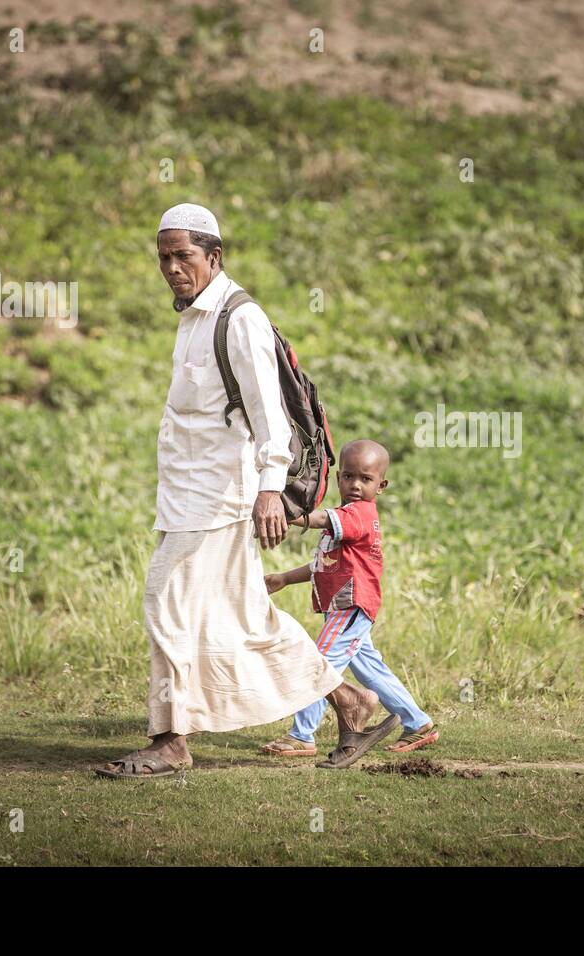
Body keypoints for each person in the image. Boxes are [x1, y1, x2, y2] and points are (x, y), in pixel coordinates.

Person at [97, 203, 391, 778]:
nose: (173, 268)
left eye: (183, 255)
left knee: (164, 605)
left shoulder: (240, 318)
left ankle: (169, 740)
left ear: (214, 256)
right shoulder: (193, 320)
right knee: (243, 617)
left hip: (219, 501)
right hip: (186, 500)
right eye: (164, 257)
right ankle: (350, 703)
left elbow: (271, 418)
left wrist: (268, 491)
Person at [261, 439, 438, 763]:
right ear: (339, 476)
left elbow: (320, 520)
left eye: (366, 479)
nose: (355, 485)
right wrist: (285, 578)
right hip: (350, 609)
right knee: (371, 670)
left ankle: (302, 735)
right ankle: (417, 722)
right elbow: (323, 564)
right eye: (349, 477)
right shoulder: (348, 516)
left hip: (350, 607)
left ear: (381, 486)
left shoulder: (358, 514)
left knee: (319, 663)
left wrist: (289, 515)